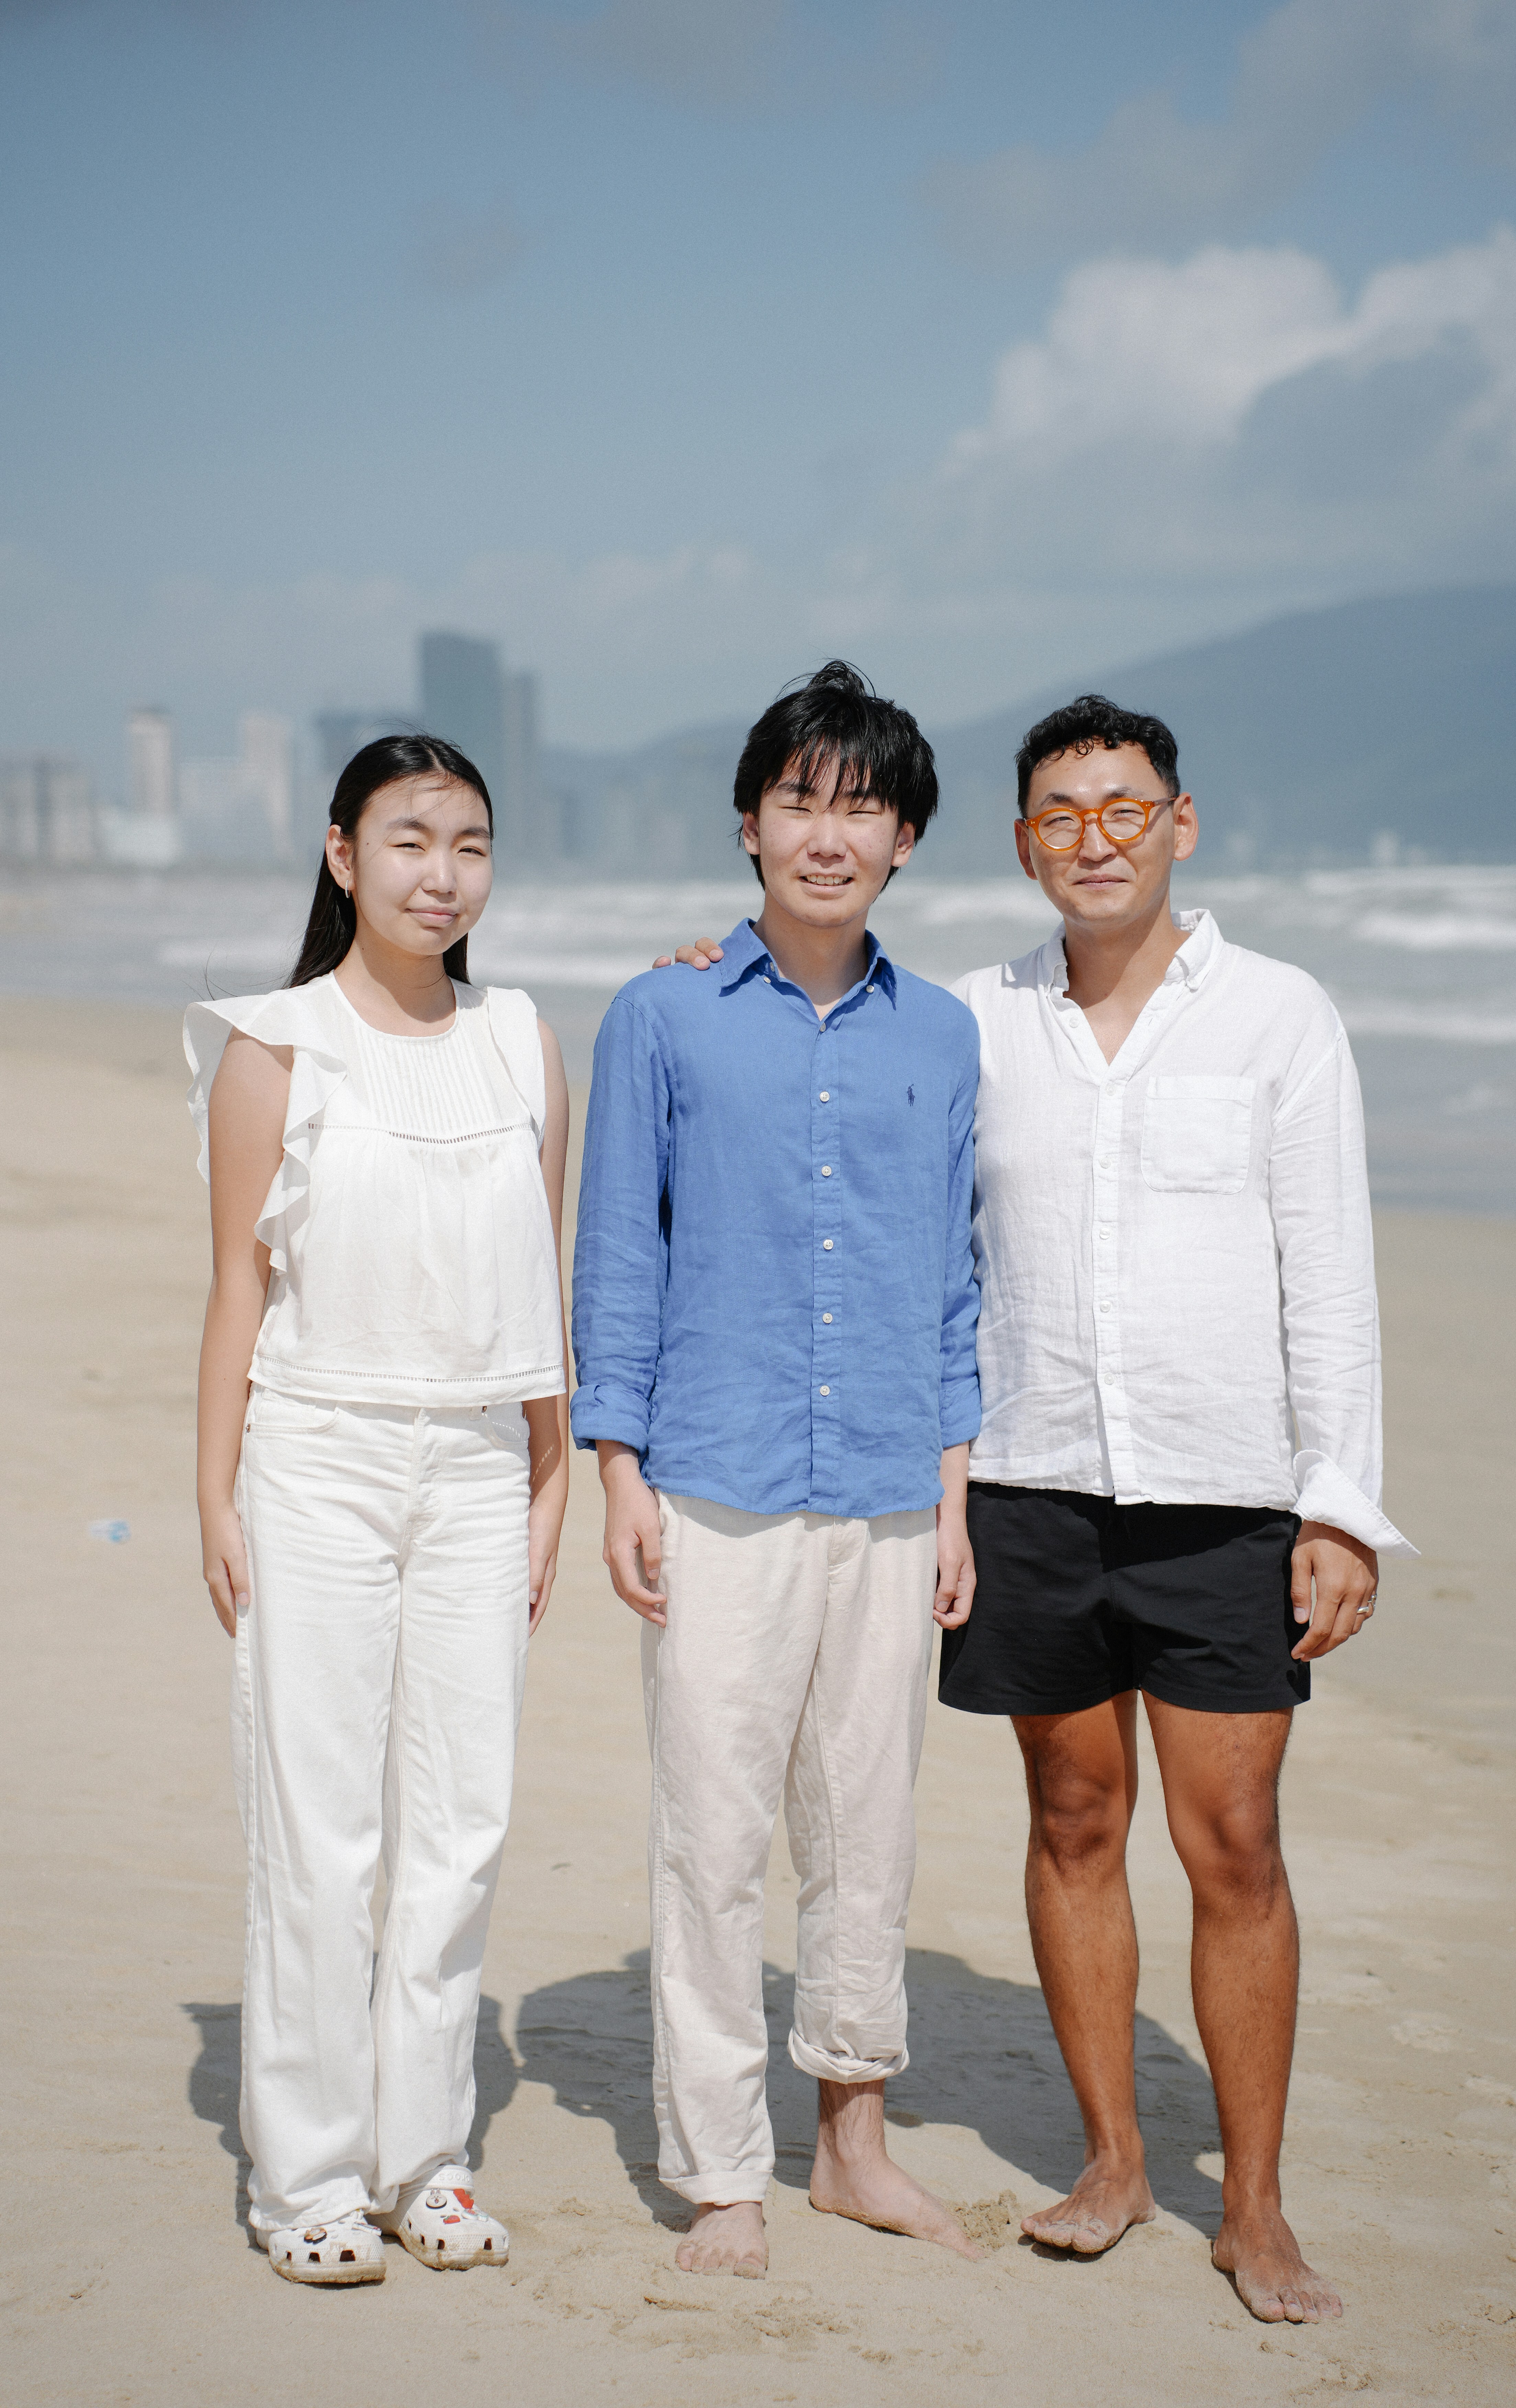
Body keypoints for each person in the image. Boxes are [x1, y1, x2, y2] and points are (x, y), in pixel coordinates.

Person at [655, 692, 1414, 2326]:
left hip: (1222, 1496)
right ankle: (1115, 2162)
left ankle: (1257, 2209)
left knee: (1235, 1847)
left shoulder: (1279, 1018)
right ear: (1016, 845)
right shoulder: (967, 1022)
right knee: (1071, 1822)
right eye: (1060, 815)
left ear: (1179, 823)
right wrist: (695, 980)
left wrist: (1338, 1508)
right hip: (1027, 1484)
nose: (1093, 838)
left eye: (1122, 809)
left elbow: (1331, 1277)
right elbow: (826, 1070)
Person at [571, 662, 984, 2281]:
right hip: (716, 1480)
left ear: (904, 838)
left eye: (861, 804)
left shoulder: (944, 1034)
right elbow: (619, 1255)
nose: (829, 832)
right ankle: (722, 2170)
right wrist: (619, 1470)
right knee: (713, 1831)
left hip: (890, 1485)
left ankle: (852, 2145)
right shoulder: (661, 1013)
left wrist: (953, 1498)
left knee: (866, 1826)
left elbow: (953, 1282)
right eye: (799, 799)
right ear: (749, 822)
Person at [188, 733, 569, 2286]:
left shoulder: (528, 1037)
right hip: (321, 1460)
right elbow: (236, 1284)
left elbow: (541, 1281)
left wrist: (553, 1472)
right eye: (410, 840)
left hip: (481, 1467)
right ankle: (308, 2181)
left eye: (469, 844)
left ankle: (428, 2159)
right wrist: (210, 1490)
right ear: (343, 855)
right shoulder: (272, 1048)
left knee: (460, 1825)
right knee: (319, 1828)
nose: (442, 874)